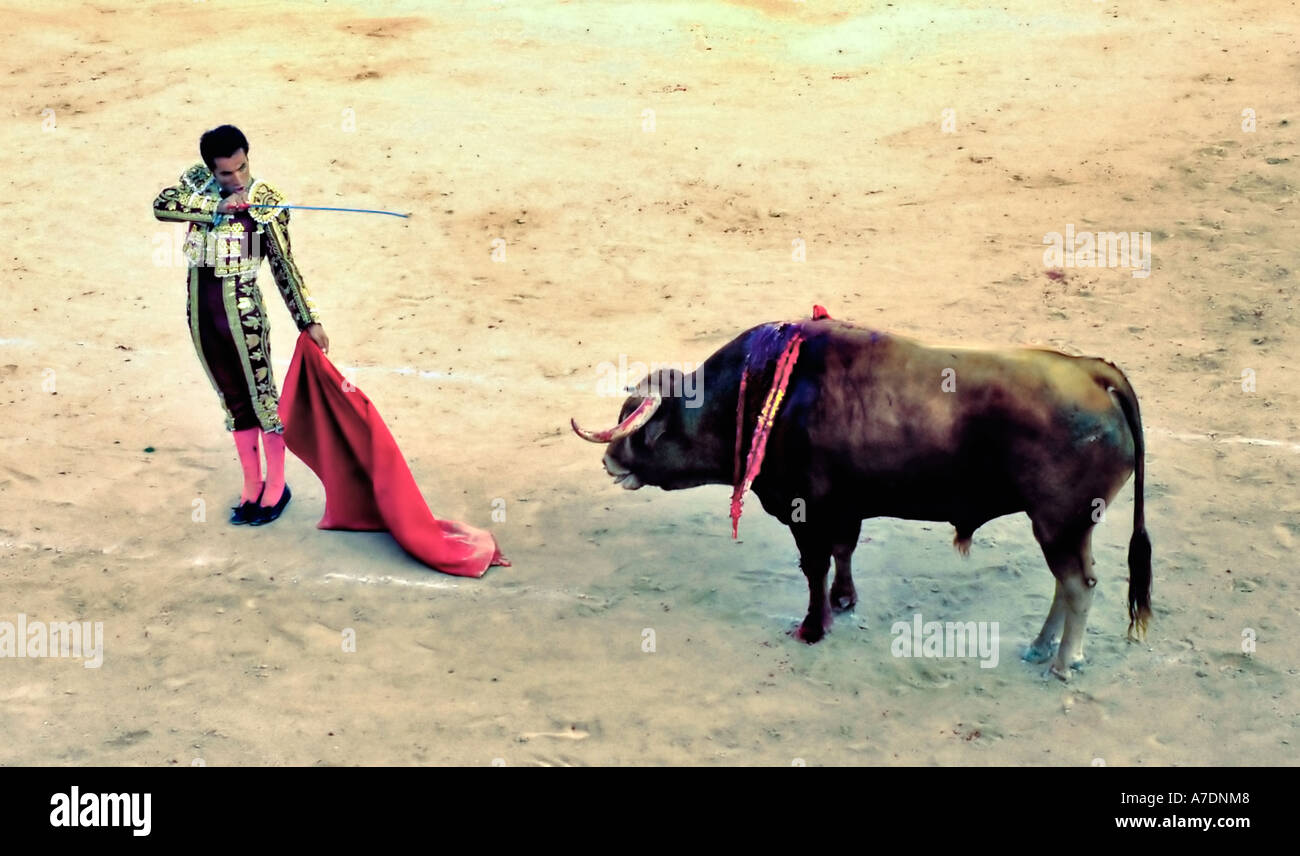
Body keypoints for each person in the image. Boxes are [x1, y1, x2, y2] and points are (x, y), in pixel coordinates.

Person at [152, 125, 330, 526]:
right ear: (209, 170)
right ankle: (252, 485)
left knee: (262, 398)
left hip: (243, 313)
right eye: (226, 174)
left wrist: (308, 319)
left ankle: (277, 485)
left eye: (242, 168)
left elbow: (285, 266)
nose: (237, 180)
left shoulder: (266, 202)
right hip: (200, 312)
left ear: (248, 157)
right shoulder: (197, 186)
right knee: (232, 398)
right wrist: (216, 207)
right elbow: (162, 205)